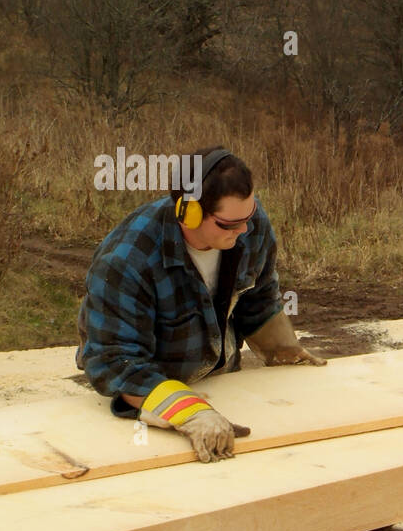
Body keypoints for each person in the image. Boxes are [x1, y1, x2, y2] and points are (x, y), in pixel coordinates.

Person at [76, 147, 325, 462]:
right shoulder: (127, 261)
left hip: (222, 384)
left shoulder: (247, 223)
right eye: (228, 224)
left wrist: (284, 349)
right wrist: (190, 414)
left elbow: (258, 296)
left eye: (247, 217)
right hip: (152, 396)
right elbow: (117, 363)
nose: (244, 230)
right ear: (188, 213)